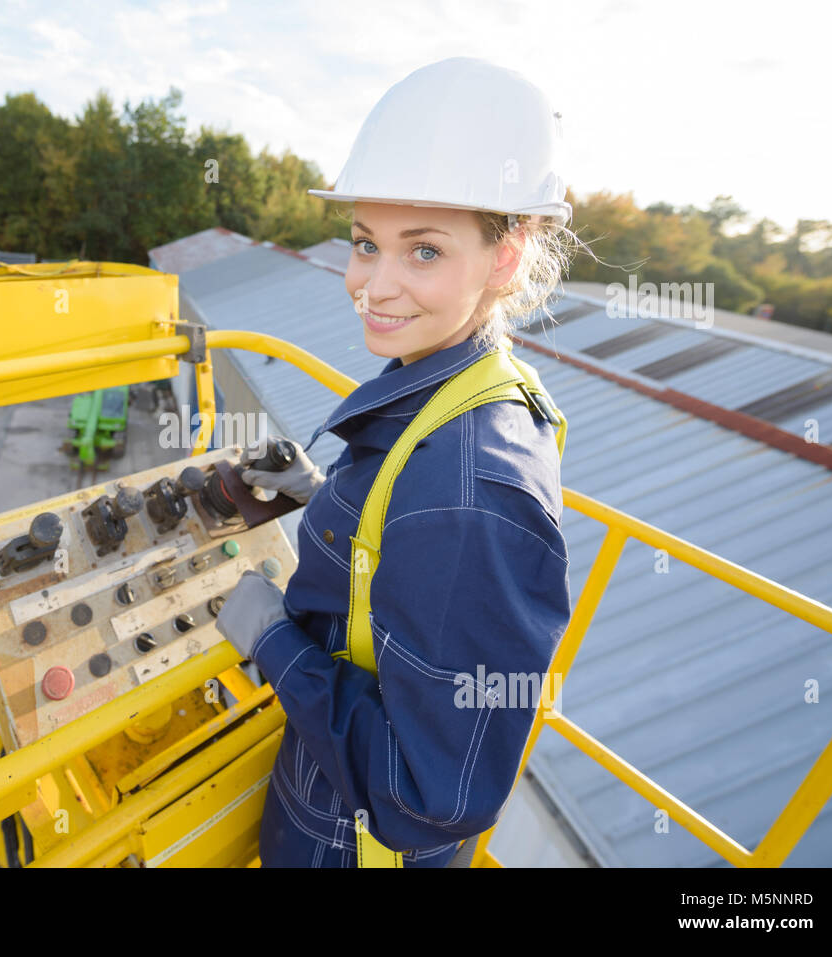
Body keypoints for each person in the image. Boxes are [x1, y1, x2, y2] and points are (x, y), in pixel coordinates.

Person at [215, 57, 579, 868]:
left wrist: (273, 639)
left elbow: (425, 793)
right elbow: (415, 564)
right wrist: (327, 500)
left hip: (345, 838)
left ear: (507, 256)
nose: (371, 287)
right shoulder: (473, 379)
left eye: (422, 252)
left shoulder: (471, 492)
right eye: (364, 243)